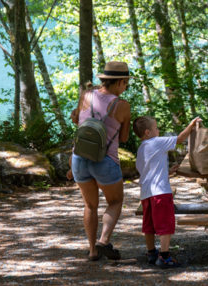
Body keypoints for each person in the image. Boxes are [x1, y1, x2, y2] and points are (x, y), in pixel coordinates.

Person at [70, 61, 134, 261]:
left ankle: (92, 251)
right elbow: (123, 138)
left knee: (90, 205)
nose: (126, 88)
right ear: (120, 82)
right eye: (126, 84)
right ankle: (103, 240)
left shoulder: (86, 95)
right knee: (115, 201)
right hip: (105, 160)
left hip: (79, 157)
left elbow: (75, 118)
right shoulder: (122, 105)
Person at [133, 115, 201, 268]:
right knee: (165, 224)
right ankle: (164, 256)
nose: (158, 130)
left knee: (149, 224)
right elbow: (180, 139)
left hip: (146, 193)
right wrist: (191, 125)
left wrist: (167, 172)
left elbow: (147, 170)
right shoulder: (156, 142)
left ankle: (151, 252)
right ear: (147, 132)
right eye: (156, 128)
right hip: (160, 192)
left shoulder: (141, 148)